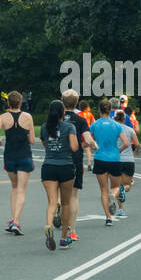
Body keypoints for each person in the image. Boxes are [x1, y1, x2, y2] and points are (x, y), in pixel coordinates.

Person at [0, 91, 35, 235]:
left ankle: (13, 219)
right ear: (21, 102)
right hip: (24, 155)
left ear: (8, 103)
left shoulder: (3, 117)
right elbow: (32, 140)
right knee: (22, 190)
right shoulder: (28, 117)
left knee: (14, 188)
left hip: (10, 156)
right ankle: (16, 222)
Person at [39, 100, 78, 250]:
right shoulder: (69, 127)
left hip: (48, 166)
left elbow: (44, 144)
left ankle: (49, 226)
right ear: (63, 112)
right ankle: (63, 238)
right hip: (66, 167)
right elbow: (74, 147)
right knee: (66, 203)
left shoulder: (44, 127)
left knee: (52, 203)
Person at [60, 90, 96, 241]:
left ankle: (58, 213)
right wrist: (95, 145)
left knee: (59, 194)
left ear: (62, 101)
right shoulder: (81, 120)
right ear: (77, 102)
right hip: (74, 160)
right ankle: (72, 230)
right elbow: (88, 140)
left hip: (57, 159)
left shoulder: (56, 118)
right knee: (73, 195)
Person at [89, 99, 130, 226]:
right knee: (116, 187)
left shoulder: (95, 125)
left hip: (100, 158)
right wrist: (118, 150)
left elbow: (88, 141)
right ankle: (113, 196)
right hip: (114, 159)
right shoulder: (116, 125)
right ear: (110, 109)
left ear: (99, 110)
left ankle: (108, 217)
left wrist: (95, 145)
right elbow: (126, 143)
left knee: (103, 190)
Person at [113, 109, 139, 215]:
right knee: (127, 185)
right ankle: (124, 189)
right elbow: (137, 144)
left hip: (116, 160)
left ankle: (120, 209)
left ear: (114, 118)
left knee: (117, 186)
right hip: (128, 160)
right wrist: (136, 152)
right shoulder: (130, 130)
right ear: (124, 119)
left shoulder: (112, 131)